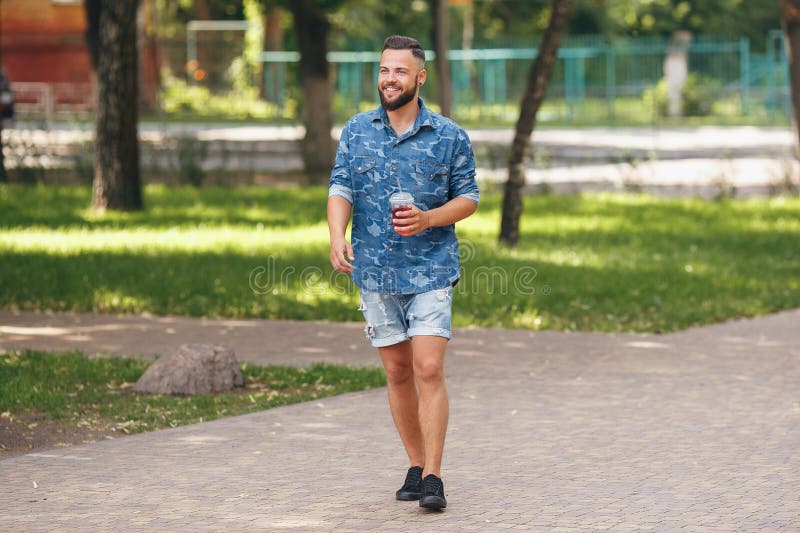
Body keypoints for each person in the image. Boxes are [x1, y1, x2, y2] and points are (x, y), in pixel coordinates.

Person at [327, 35, 479, 511]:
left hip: (431, 270)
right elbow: (341, 186)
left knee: (428, 368)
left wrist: (430, 218)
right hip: (373, 272)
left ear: (420, 77)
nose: (389, 79)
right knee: (397, 373)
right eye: (384, 70)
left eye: (399, 71)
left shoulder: (449, 135)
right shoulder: (356, 130)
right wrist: (336, 234)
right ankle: (415, 464)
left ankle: (433, 477)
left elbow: (469, 197)